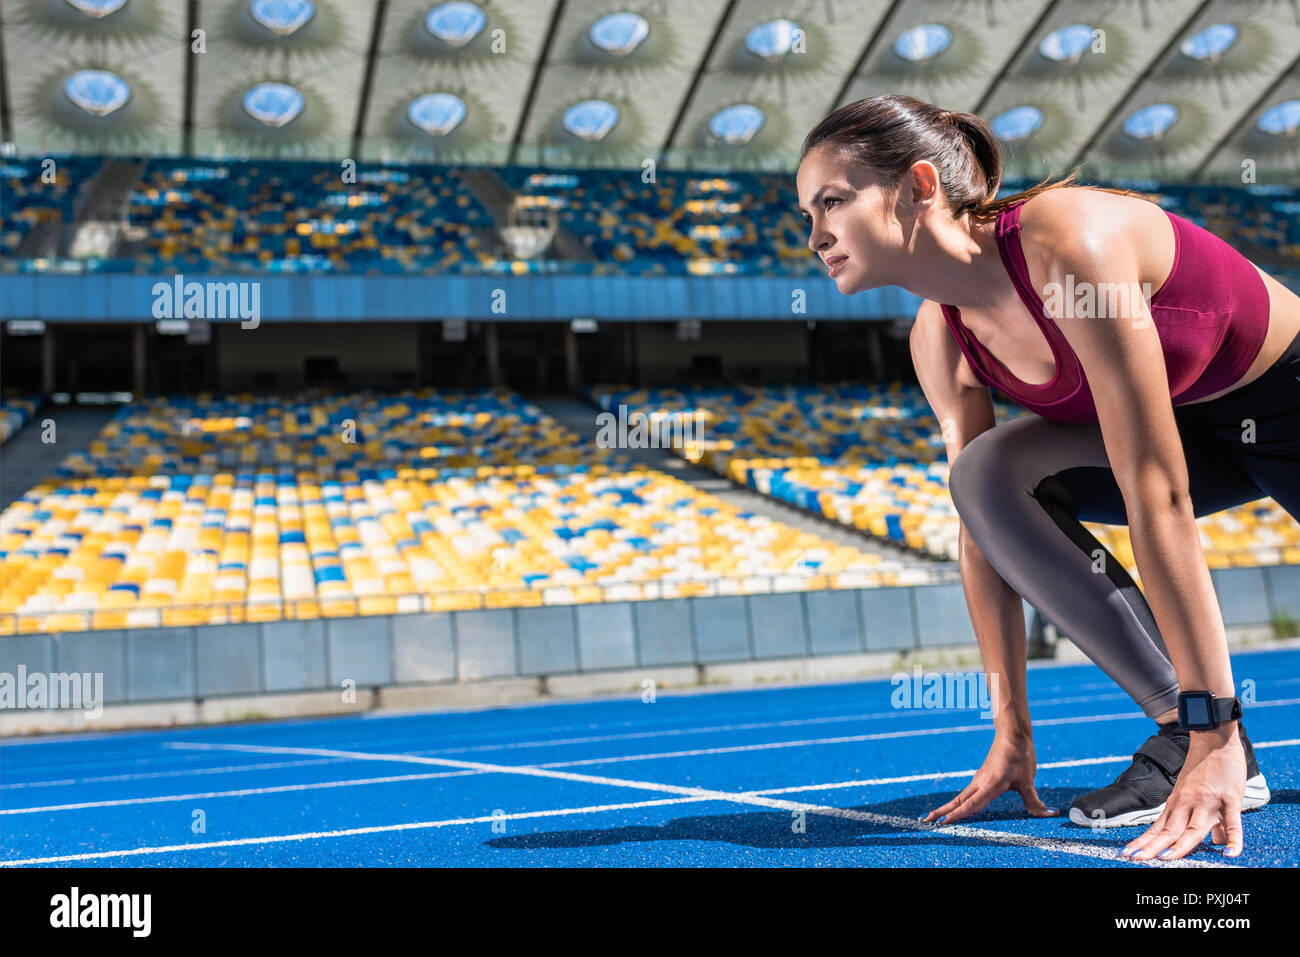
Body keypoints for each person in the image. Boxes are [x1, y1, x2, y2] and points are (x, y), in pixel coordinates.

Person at [797, 93, 1299, 861]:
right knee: (985, 474)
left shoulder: (1068, 242)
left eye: (832, 201)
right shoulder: (940, 334)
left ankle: (1211, 732)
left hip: (1286, 400)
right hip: (1187, 428)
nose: (815, 235)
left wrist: (1219, 724)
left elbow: (1156, 494)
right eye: (807, 214)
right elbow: (985, 529)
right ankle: (1181, 730)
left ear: (919, 187)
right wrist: (1012, 732)